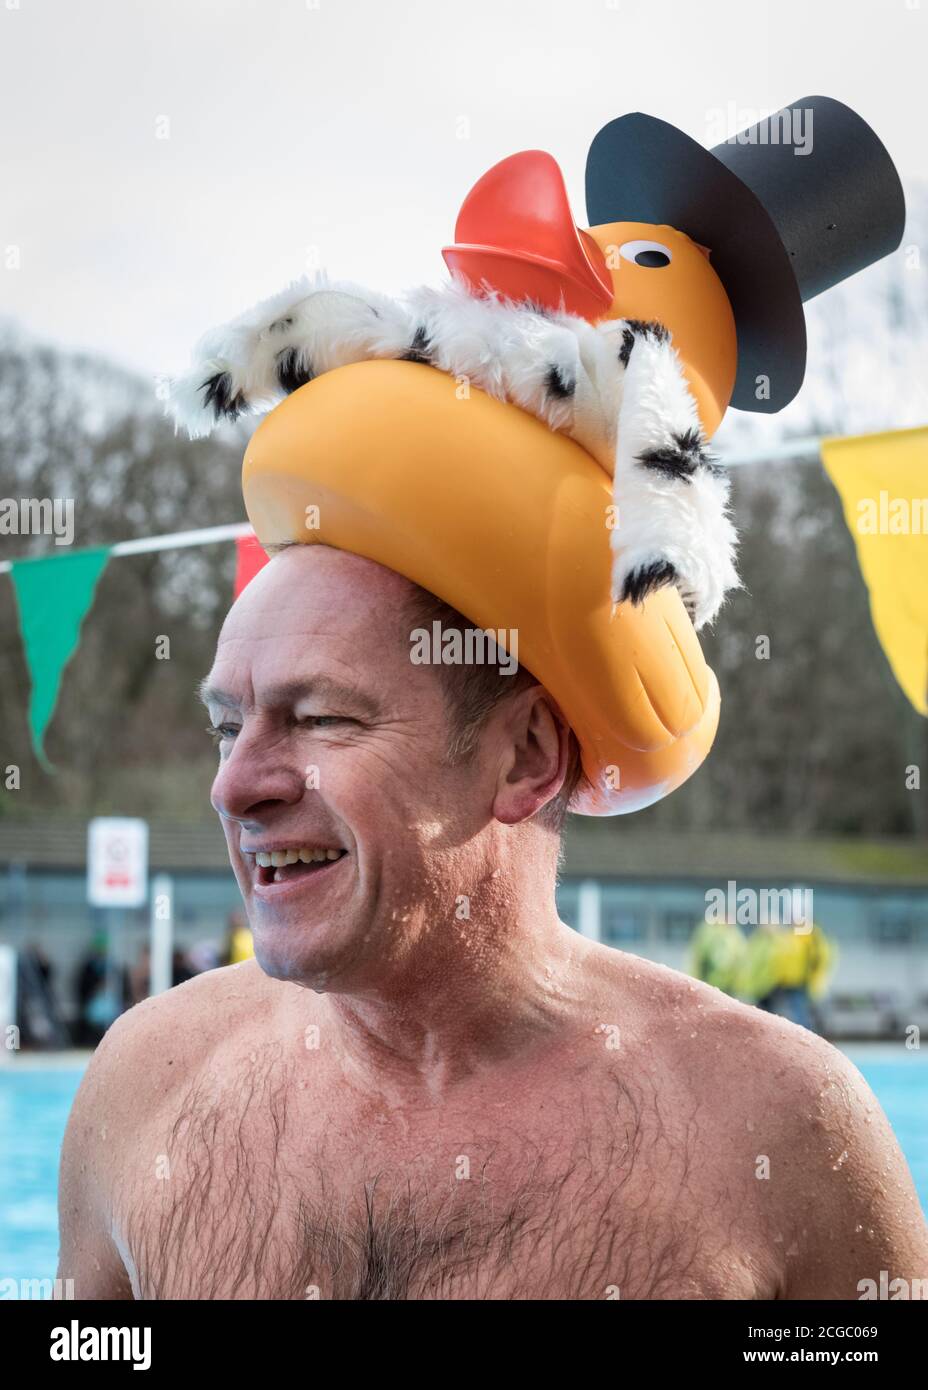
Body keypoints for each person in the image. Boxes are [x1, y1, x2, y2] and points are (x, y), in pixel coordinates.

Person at [56, 106, 926, 1299]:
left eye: (317, 719)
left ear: (522, 755)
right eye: (229, 720)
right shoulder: (140, 1092)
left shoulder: (778, 1139)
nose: (235, 781)